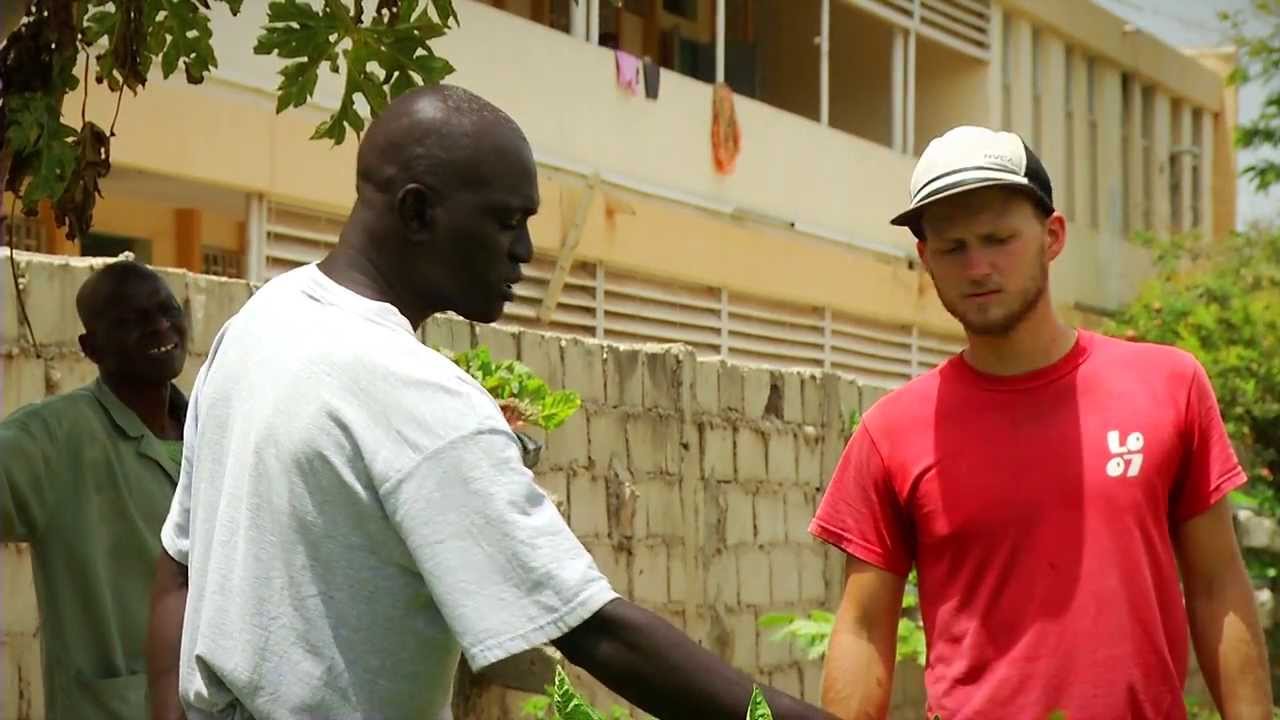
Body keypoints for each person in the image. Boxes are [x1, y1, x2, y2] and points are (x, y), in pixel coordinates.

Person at [146, 84, 836, 720]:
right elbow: (596, 633)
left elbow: (177, 565)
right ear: (418, 211)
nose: (526, 252)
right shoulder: (415, 395)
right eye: (506, 222)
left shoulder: (259, 326)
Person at [810, 125, 1273, 719]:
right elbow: (864, 629)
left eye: (999, 239)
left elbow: (1217, 587)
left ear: (1052, 236)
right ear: (926, 258)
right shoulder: (890, 432)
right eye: (953, 248)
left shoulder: (1168, 386)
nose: (977, 267)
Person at [1, 260, 188, 719]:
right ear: (90, 348)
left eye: (167, 310)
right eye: (131, 320)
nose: (160, 325)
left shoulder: (216, 430)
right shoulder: (54, 438)